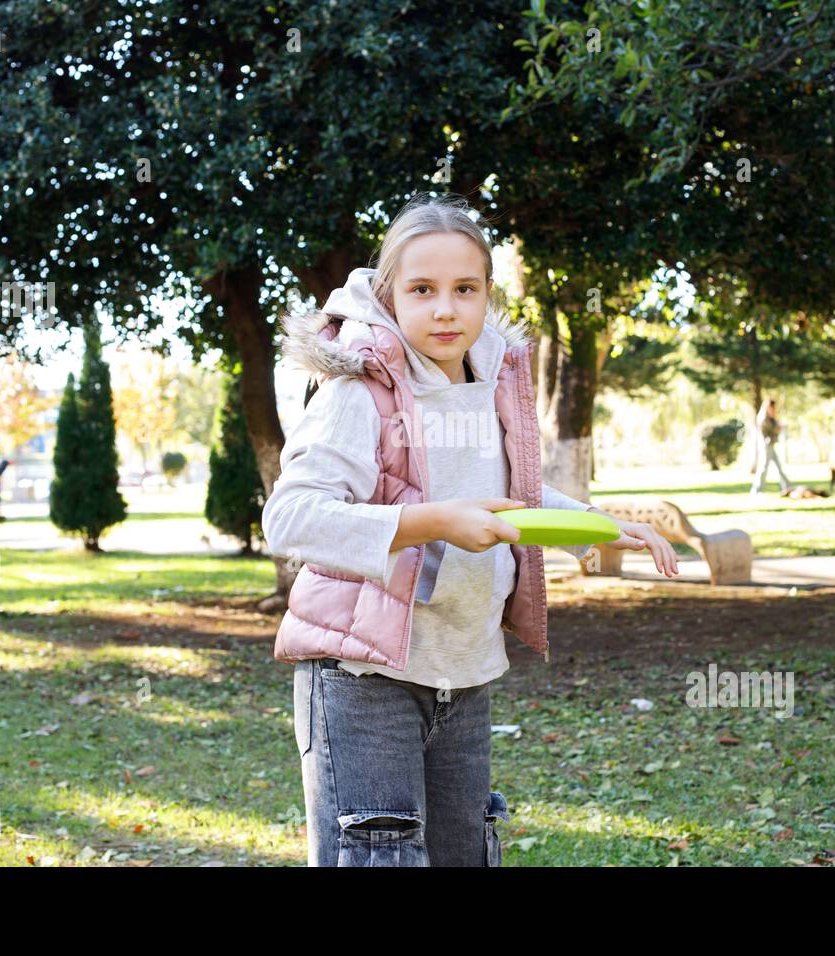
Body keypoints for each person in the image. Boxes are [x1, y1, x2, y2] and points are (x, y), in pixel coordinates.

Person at [261, 194, 680, 867]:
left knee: (466, 853)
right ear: (391, 294)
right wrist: (434, 524)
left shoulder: (492, 383)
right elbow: (290, 518)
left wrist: (601, 526)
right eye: (423, 290)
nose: (446, 308)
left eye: (466, 289)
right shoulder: (359, 391)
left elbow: (511, 497)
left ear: (488, 294)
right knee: (380, 854)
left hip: (464, 670)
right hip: (363, 676)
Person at [750, 398, 791, 494]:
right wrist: (777, 429)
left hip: (771, 445)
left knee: (779, 467)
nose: (773, 409)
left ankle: (787, 487)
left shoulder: (770, 418)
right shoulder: (763, 418)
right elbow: (766, 433)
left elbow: (775, 430)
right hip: (766, 446)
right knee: (763, 468)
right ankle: (757, 489)